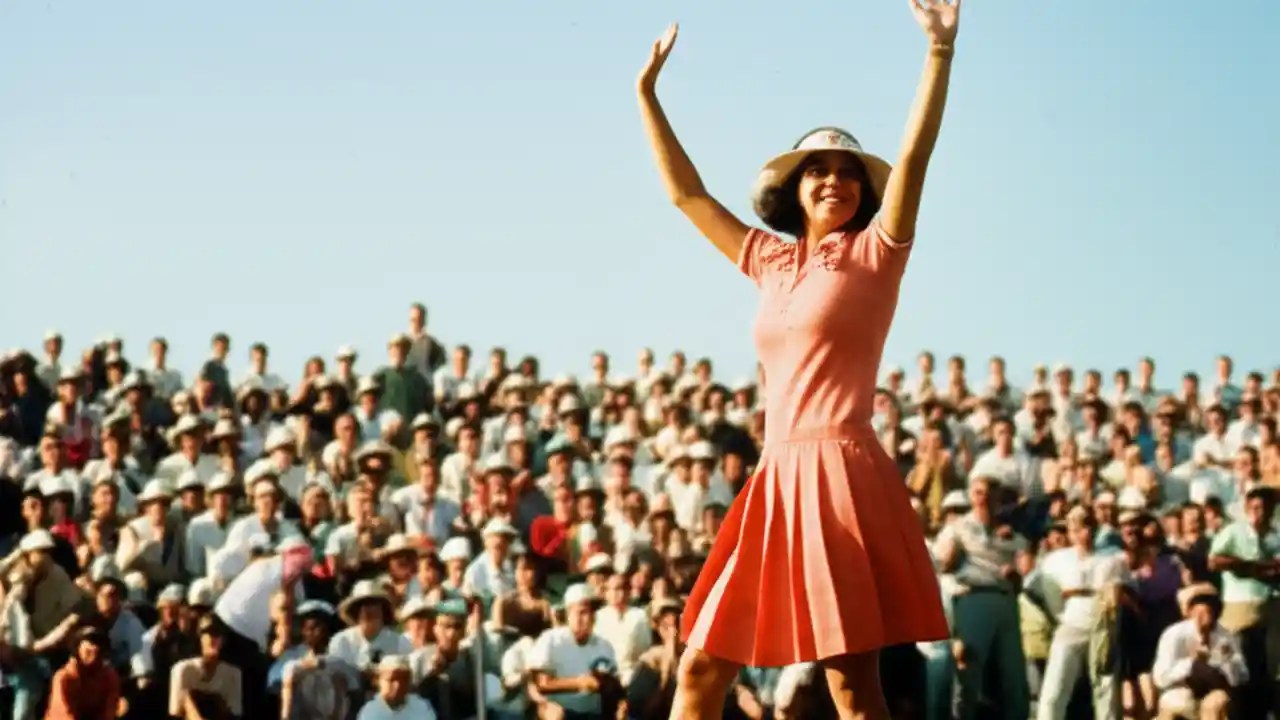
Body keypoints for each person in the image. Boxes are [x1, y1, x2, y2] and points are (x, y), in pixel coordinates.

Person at [635, 0, 961, 717]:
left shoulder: (878, 253)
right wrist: (647, 96)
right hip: (775, 479)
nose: (834, 181)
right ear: (795, 186)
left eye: (848, 172)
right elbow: (688, 195)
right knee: (697, 674)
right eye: (819, 170)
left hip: (841, 474)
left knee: (851, 685)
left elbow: (914, 157)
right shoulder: (769, 258)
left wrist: (938, 55)